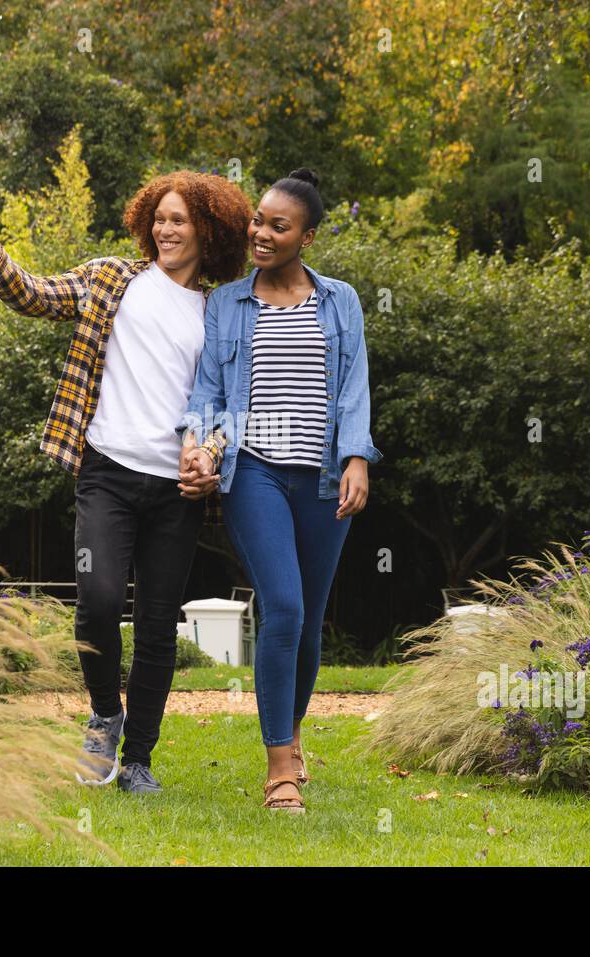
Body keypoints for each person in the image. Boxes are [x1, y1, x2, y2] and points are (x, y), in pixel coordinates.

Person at [0, 169, 250, 793]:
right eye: (159, 218)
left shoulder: (220, 311)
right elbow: (37, 295)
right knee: (100, 600)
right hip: (105, 471)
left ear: (208, 231)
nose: (165, 229)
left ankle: (138, 760)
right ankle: (105, 713)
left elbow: (229, 402)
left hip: (175, 491)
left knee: (160, 624)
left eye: (179, 220)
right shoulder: (113, 277)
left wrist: (211, 455)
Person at [177, 168, 382, 813]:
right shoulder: (227, 303)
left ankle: (291, 737)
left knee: (309, 620)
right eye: (258, 221)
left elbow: (354, 387)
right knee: (285, 609)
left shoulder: (340, 301)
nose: (260, 234)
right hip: (254, 471)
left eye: (278, 226)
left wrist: (357, 457)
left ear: (308, 237)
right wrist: (203, 445)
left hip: (323, 478)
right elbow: (209, 391)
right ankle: (279, 772)